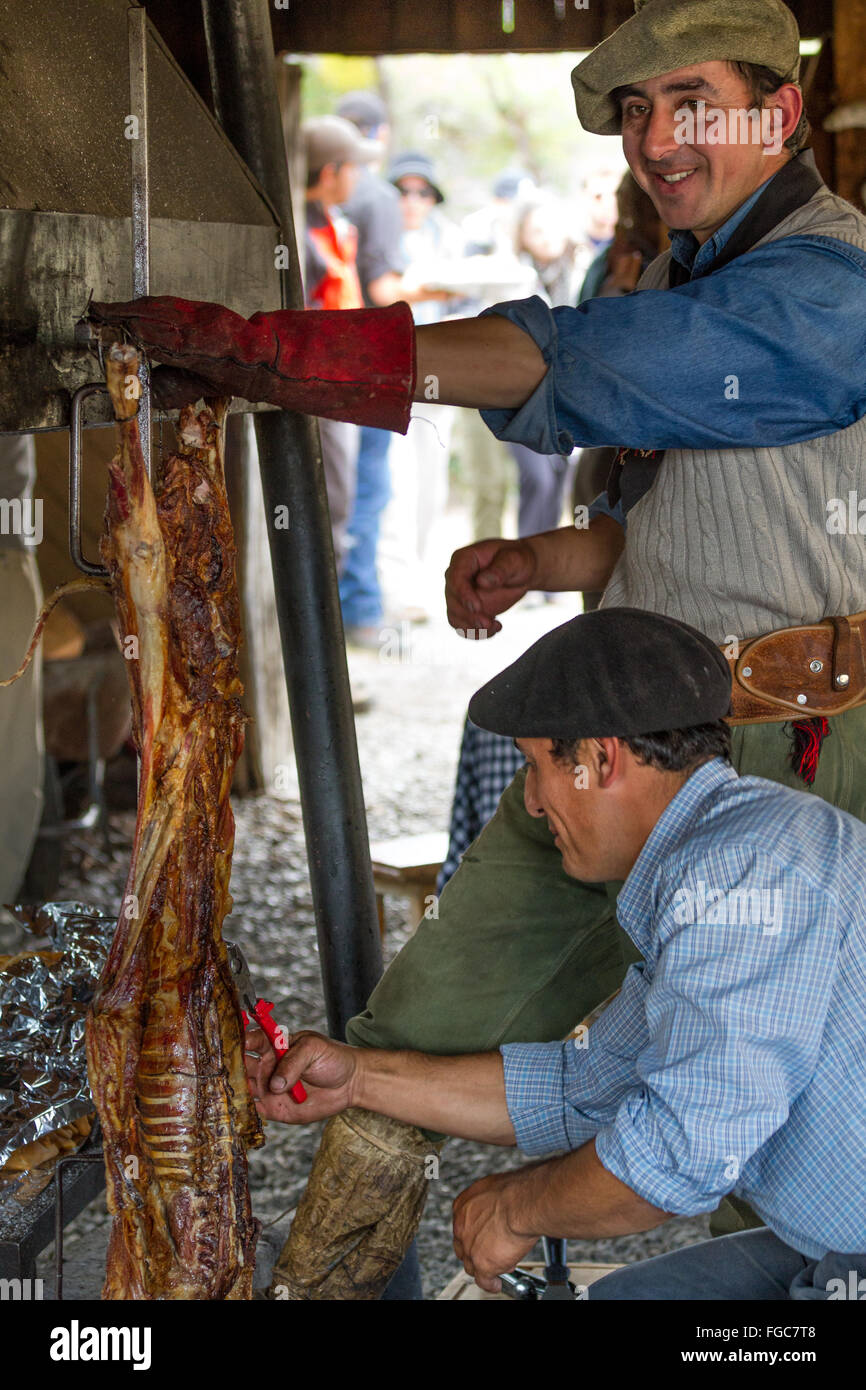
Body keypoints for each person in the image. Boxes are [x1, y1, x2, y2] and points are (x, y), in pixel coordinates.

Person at [89, 0, 866, 1300]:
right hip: (621, 738)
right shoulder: (680, 272)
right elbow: (661, 526)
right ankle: (339, 1285)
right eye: (631, 113)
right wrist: (543, 561)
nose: (655, 139)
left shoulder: (828, 288)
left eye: (689, 102)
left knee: (758, 1108)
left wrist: (311, 354)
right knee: (426, 1011)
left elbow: (597, 365)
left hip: (801, 746)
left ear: (778, 114)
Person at [245, 609, 866, 1300]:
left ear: (600, 759)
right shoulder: (714, 864)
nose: (534, 804)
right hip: (832, 1249)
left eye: (537, 768)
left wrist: (519, 1207)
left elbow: (682, 1154)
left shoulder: (744, 874)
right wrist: (357, 1078)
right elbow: (581, 1087)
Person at [302, 115, 380, 576]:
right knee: (331, 499)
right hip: (320, 388)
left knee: (342, 498)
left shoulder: (333, 225)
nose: (358, 176)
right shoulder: (304, 233)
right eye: (352, 166)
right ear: (329, 172)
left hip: (344, 382)